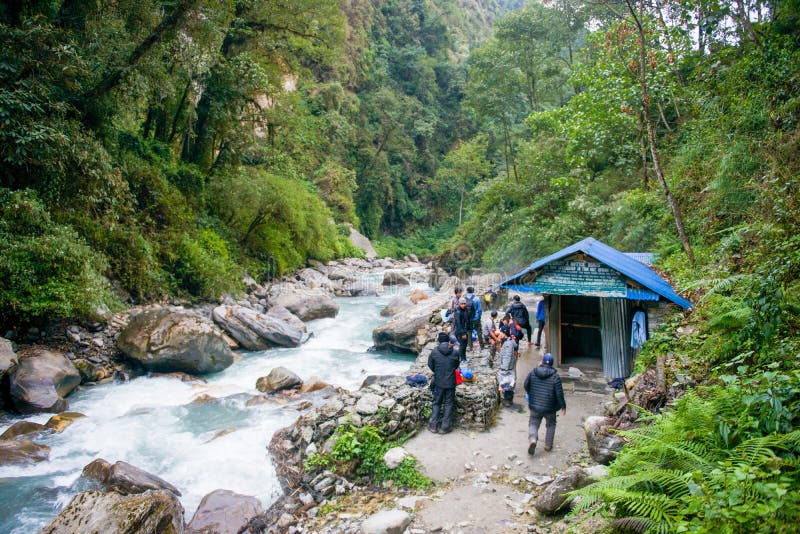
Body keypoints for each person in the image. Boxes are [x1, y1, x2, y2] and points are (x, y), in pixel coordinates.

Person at [523, 353, 566, 455]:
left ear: (542, 361)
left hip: (534, 405)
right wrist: (563, 406)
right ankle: (548, 445)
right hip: (550, 407)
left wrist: (531, 394)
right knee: (551, 425)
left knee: (533, 423)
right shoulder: (555, 376)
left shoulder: (533, 372)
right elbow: (559, 393)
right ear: (552, 364)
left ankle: (533, 439)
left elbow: (526, 385)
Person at [427, 332, 461, 434]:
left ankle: (433, 426)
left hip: (438, 382)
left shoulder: (434, 352)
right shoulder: (455, 352)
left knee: (437, 403)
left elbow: (430, 365)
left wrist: (437, 372)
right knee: (448, 403)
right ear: (448, 341)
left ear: (439, 341)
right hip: (450, 382)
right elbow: (456, 366)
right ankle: (445, 427)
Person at [497, 332, 518, 406]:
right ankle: (509, 399)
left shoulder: (508, 344)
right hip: (509, 367)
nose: (498, 335)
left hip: (507, 368)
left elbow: (508, 356)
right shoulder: (508, 341)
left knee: (507, 383)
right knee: (509, 383)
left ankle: (508, 401)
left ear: (504, 334)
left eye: (500, 333)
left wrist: (504, 368)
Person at [464, 286, 484, 350]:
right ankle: (482, 346)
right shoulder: (477, 298)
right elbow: (480, 310)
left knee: (469, 332)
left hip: (468, 319)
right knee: (479, 331)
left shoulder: (464, 299)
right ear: (473, 291)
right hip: (476, 318)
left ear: (467, 291)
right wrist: (479, 317)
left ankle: (470, 347)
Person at [453, 297, 471, 362]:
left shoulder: (465, 310)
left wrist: (469, 328)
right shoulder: (458, 311)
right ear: (459, 304)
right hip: (460, 331)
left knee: (465, 344)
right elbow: (458, 323)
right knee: (462, 345)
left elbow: (467, 320)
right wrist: (463, 333)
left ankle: (464, 357)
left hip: (465, 330)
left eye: (464, 303)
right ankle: (462, 358)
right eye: (462, 304)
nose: (463, 305)